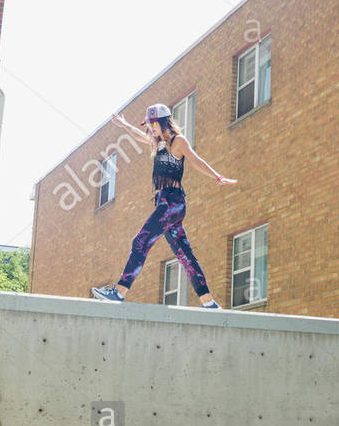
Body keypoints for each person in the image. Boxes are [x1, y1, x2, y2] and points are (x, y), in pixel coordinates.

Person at [91, 103, 237, 309]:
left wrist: (217, 176)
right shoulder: (156, 142)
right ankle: (209, 302)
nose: (150, 129)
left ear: (161, 122)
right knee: (185, 255)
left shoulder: (178, 142)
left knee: (141, 241)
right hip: (165, 203)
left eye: (152, 125)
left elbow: (196, 161)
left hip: (172, 202)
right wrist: (124, 125)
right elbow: (137, 134)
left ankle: (120, 292)